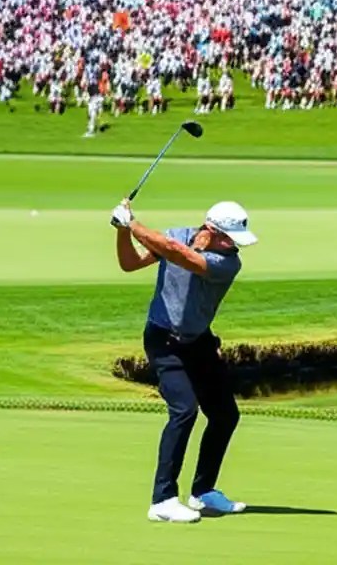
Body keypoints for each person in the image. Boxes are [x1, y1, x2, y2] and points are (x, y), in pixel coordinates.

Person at [111, 199, 259, 524]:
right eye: (230, 238)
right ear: (212, 229)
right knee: (184, 410)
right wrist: (122, 231)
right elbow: (129, 263)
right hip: (164, 340)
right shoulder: (178, 235)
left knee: (224, 415)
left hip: (198, 340)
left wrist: (132, 224)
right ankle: (162, 499)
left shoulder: (227, 263)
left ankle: (202, 492)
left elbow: (181, 255)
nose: (235, 245)